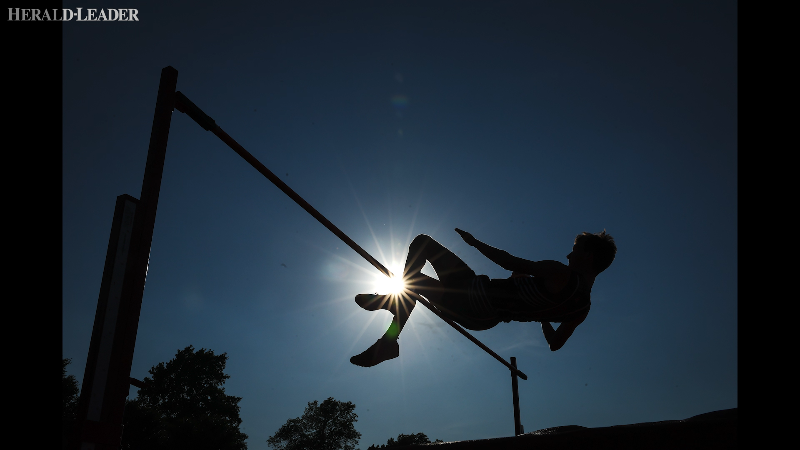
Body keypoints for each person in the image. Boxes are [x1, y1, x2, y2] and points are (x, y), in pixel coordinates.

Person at [350, 228, 617, 367]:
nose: (569, 255)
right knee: (423, 243)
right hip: (475, 290)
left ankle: (389, 334)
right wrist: (542, 314)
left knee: (415, 279)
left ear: (589, 256)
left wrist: (475, 243)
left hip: (474, 304)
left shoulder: (561, 273)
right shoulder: (582, 309)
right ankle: (392, 308)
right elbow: (555, 344)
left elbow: (507, 261)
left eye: (575, 250)